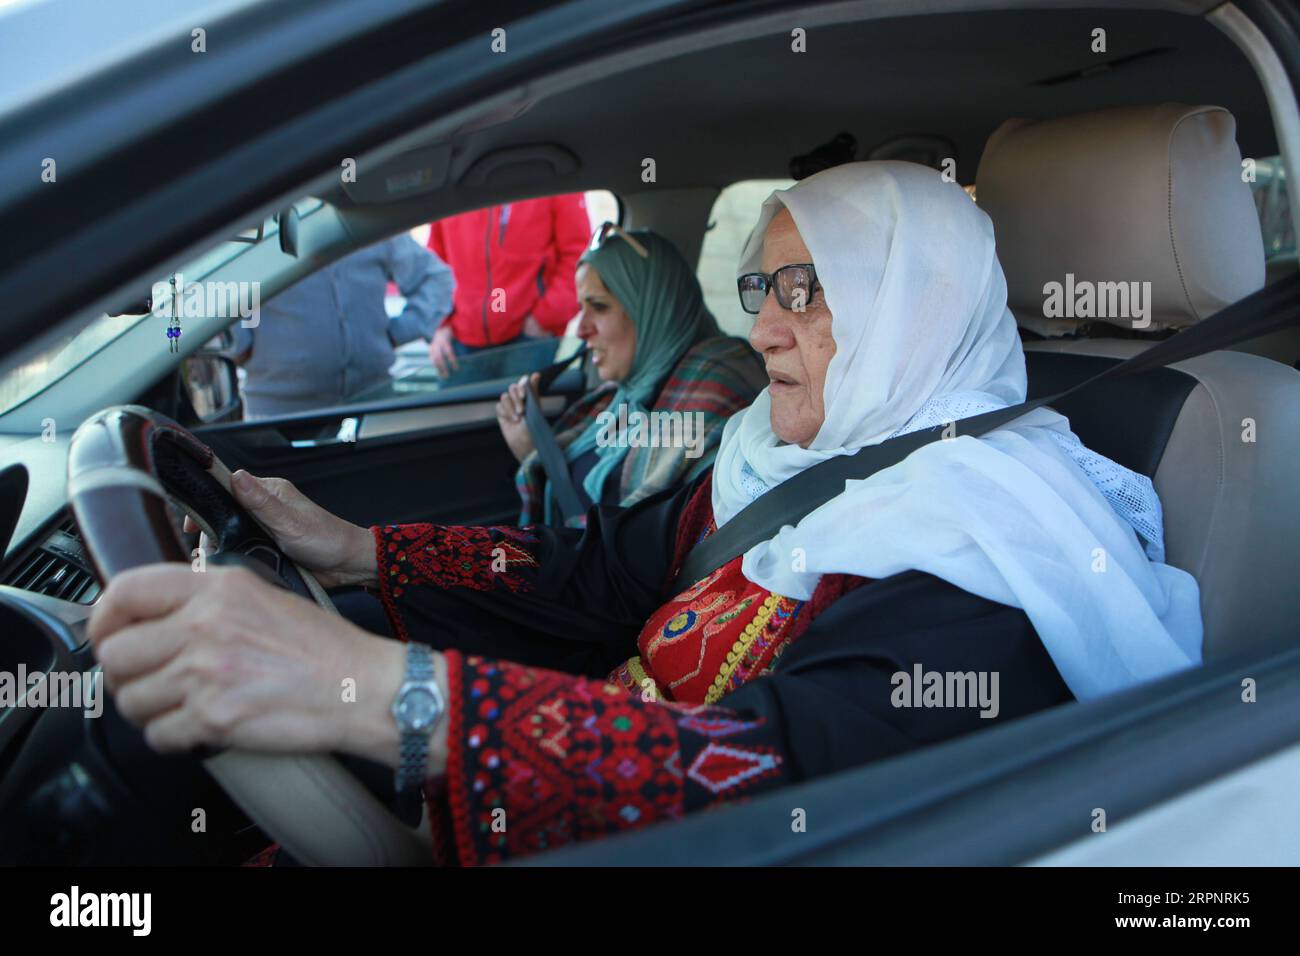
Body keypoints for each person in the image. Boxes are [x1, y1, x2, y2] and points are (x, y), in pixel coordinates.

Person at [88, 162, 1202, 866]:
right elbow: (604, 576)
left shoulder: (991, 549)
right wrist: (357, 547)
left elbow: (779, 783)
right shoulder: (780, 460)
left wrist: (387, 695)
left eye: (806, 291)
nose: (766, 329)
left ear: (911, 310)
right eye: (762, 290)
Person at [495, 225, 766, 525]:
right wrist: (533, 449)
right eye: (580, 308)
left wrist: (535, 453)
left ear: (651, 308)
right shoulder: (624, 395)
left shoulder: (717, 390)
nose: (581, 329)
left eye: (598, 307)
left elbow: (632, 541)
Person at [232, 235, 453, 418]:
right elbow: (221, 290)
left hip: (371, 405)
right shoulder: (262, 231)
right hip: (278, 416)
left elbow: (437, 279)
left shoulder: (368, 225)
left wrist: (398, 333)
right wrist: (238, 346)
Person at [426, 194, 589, 377]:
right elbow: (435, 263)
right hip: (459, 340)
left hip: (528, 340)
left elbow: (578, 256)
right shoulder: (455, 182)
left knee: (522, 405)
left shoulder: (551, 174)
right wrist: (441, 324)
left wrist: (545, 317)